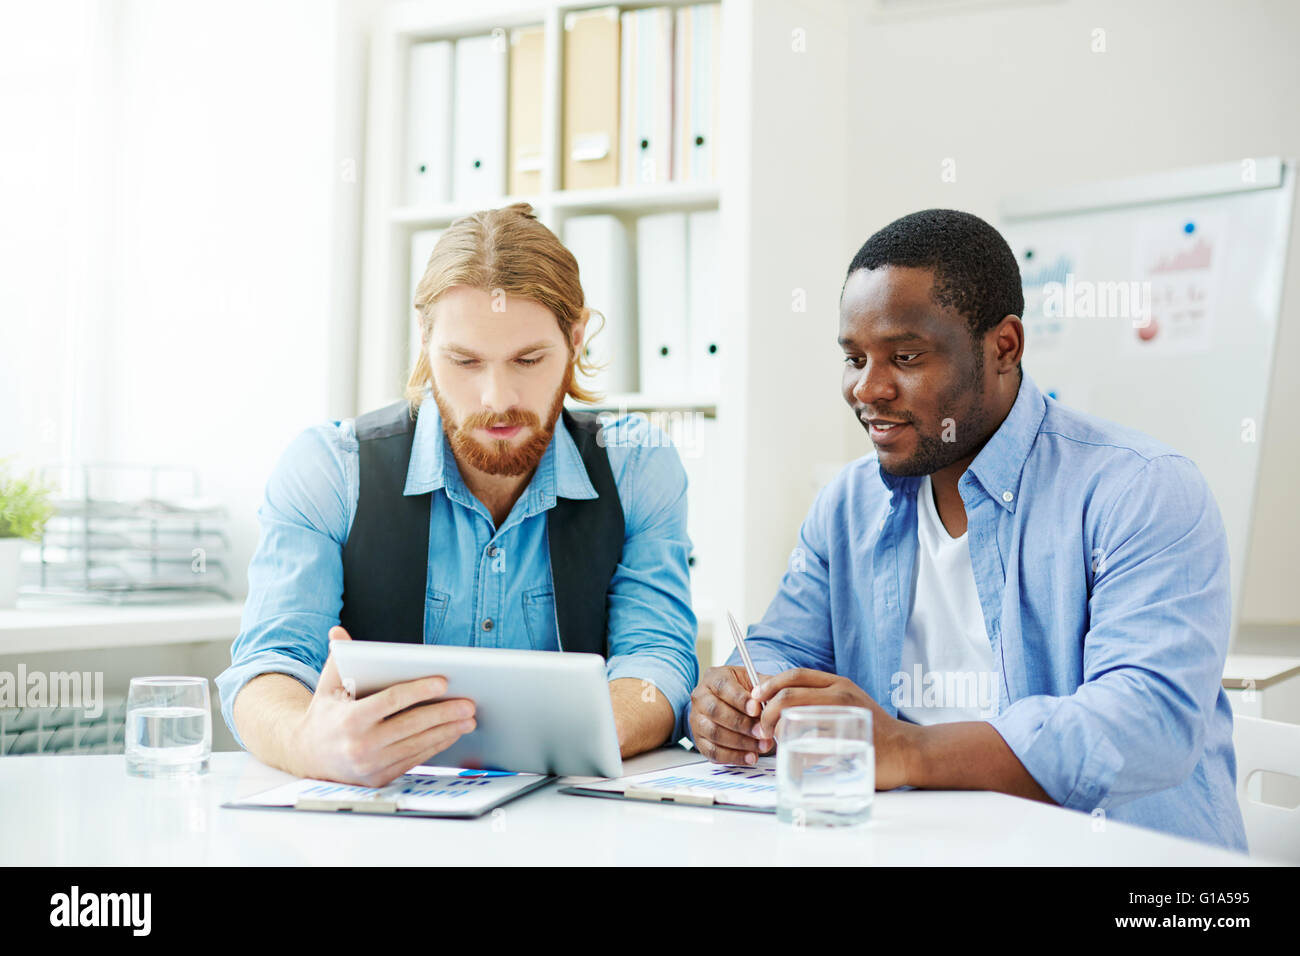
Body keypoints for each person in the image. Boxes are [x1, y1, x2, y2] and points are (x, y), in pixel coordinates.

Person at [688, 208, 1247, 851]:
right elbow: (782, 655)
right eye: (853, 358)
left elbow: (1146, 722)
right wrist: (731, 704)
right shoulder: (845, 506)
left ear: (1003, 347)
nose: (867, 389)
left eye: (905, 356)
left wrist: (909, 750)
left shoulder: (1142, 489)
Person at [218, 203, 698, 787]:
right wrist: (308, 742)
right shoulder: (329, 469)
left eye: (528, 359)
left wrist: (582, 738)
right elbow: (267, 666)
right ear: (426, 343)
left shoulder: (638, 467)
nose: (497, 398)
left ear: (575, 340)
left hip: (569, 816)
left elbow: (658, 661)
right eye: (465, 361)